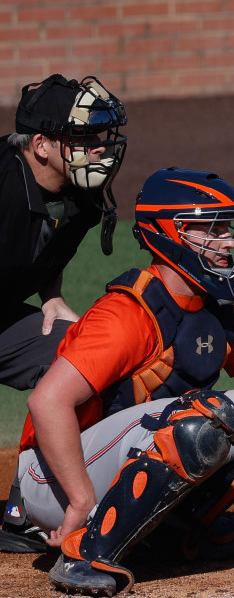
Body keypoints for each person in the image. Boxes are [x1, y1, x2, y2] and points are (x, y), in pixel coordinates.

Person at [8, 168, 234, 595]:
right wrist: (80, 500)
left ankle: (177, 532)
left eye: (227, 228)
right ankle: (85, 553)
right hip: (52, 479)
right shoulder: (127, 314)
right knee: (199, 419)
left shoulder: (216, 318)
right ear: (171, 233)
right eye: (213, 229)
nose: (228, 242)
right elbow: (47, 402)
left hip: (106, 465)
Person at [0, 74, 128, 553]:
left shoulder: (82, 193)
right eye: (83, 138)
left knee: (74, 356)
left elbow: (49, 246)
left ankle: (26, 509)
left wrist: (50, 293)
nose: (99, 149)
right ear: (41, 146)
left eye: (100, 136)